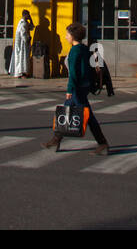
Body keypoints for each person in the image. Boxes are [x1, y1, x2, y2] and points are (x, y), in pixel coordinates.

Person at [42, 23, 109, 154]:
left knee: (87, 116)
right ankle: (56, 140)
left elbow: (73, 73)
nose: (66, 37)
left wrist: (69, 90)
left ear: (73, 36)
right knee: (66, 111)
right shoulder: (85, 49)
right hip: (84, 86)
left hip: (76, 89)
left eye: (67, 34)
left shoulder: (74, 51)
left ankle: (102, 143)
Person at [9, 11, 33, 78]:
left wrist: (31, 20)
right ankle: (22, 73)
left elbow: (31, 27)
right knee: (22, 58)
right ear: (25, 15)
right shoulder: (22, 24)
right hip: (22, 44)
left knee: (23, 58)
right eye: (28, 15)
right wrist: (28, 38)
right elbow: (23, 34)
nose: (29, 16)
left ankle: (23, 72)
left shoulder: (25, 23)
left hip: (23, 44)